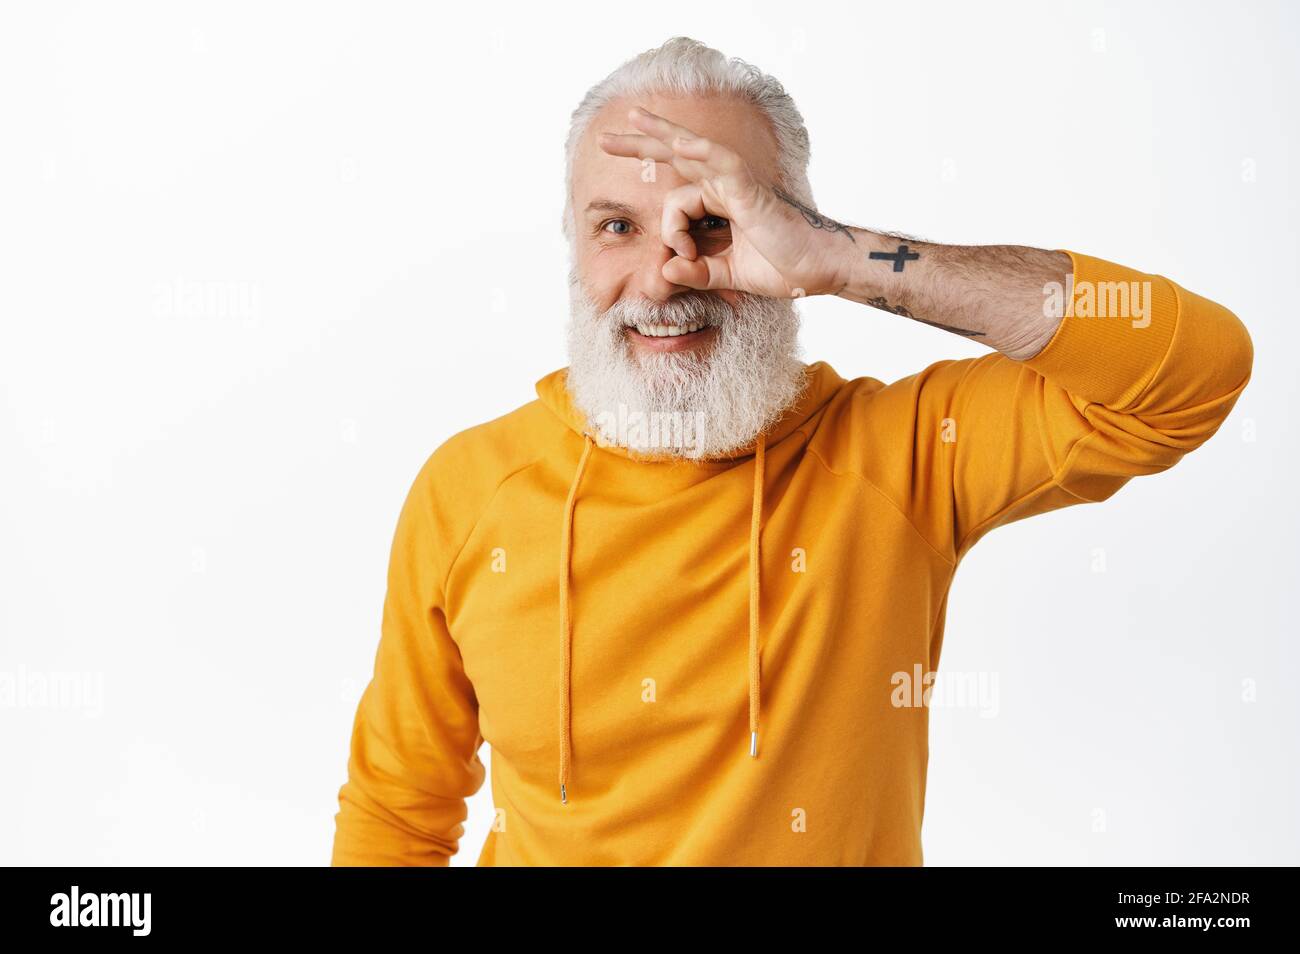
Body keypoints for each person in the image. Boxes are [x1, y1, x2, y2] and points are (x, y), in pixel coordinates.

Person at [330, 36, 1253, 865]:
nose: (666, 275)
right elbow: (397, 815)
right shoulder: (469, 490)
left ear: (789, 232)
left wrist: (849, 262)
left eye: (715, 223)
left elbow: (1193, 370)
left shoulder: (903, 456)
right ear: (574, 246)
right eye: (619, 226)